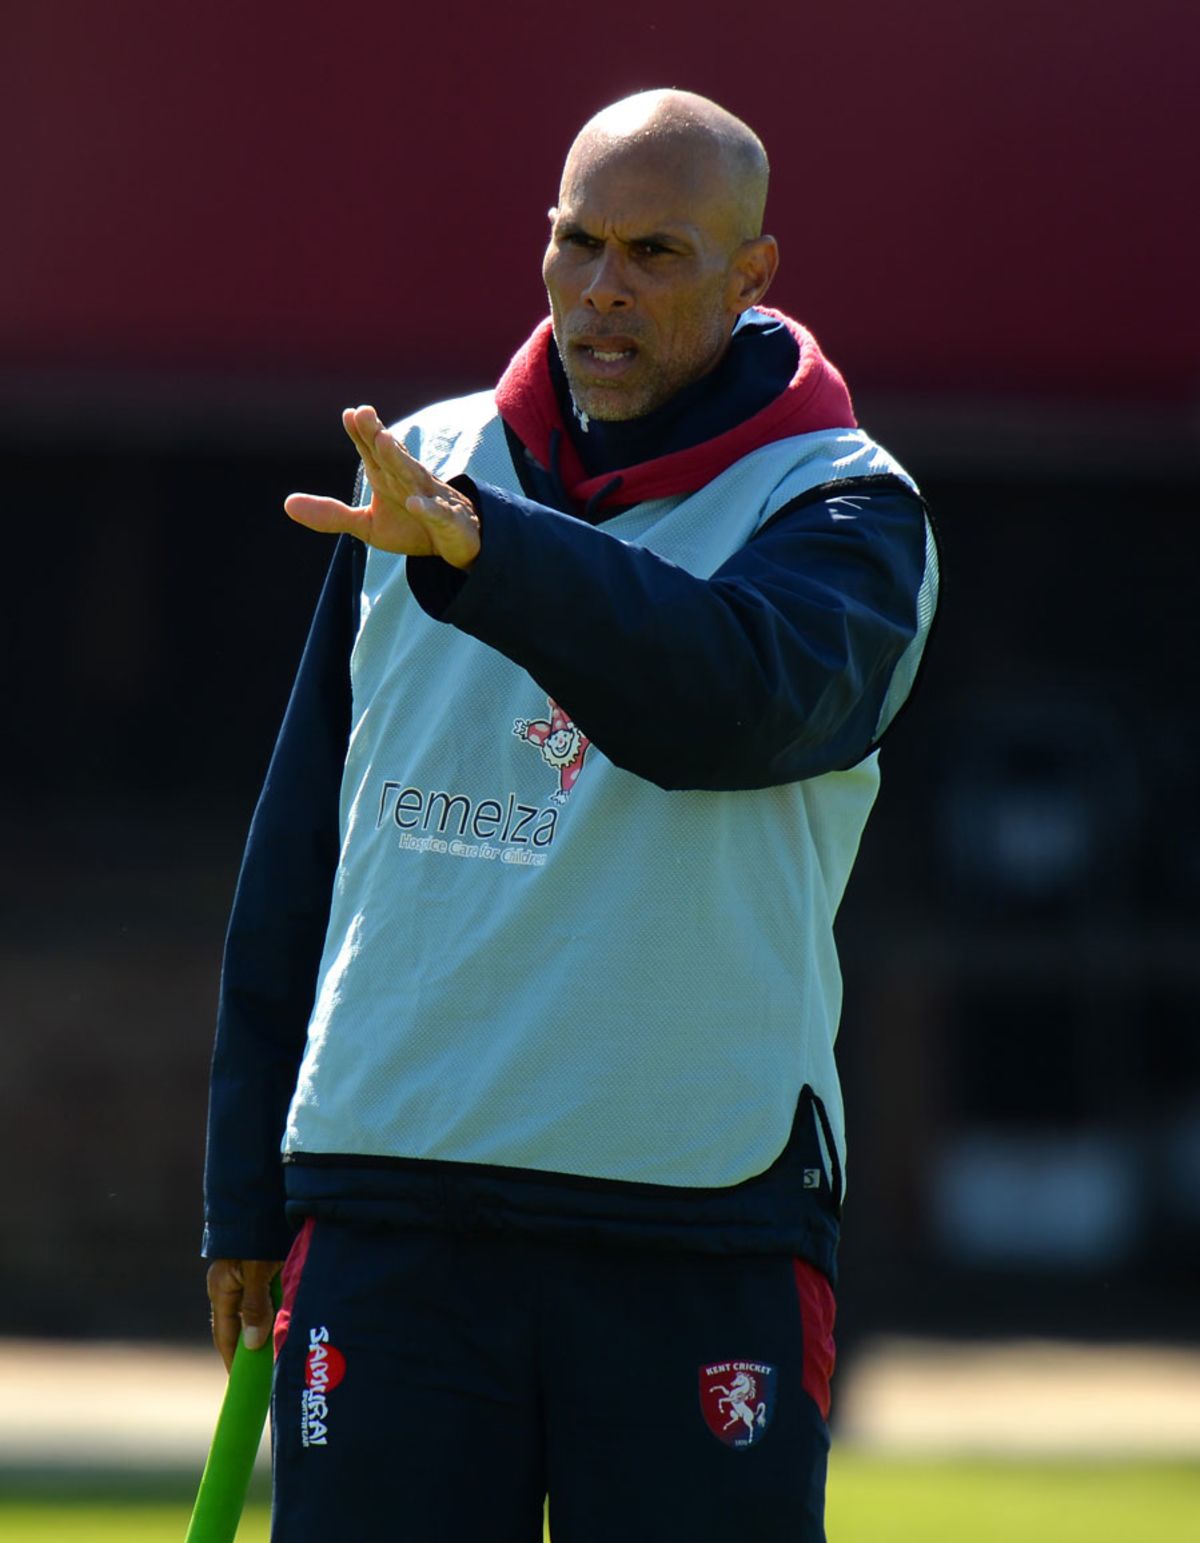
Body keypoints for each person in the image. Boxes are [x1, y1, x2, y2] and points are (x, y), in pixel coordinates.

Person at [203, 88, 938, 1543]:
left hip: (695, 1208)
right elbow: (302, 855)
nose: (602, 287)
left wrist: (489, 553)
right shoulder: (416, 465)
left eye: (656, 253)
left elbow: (723, 706)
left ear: (753, 275)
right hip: (389, 1200)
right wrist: (242, 1191)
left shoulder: (851, 510)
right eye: (576, 240)